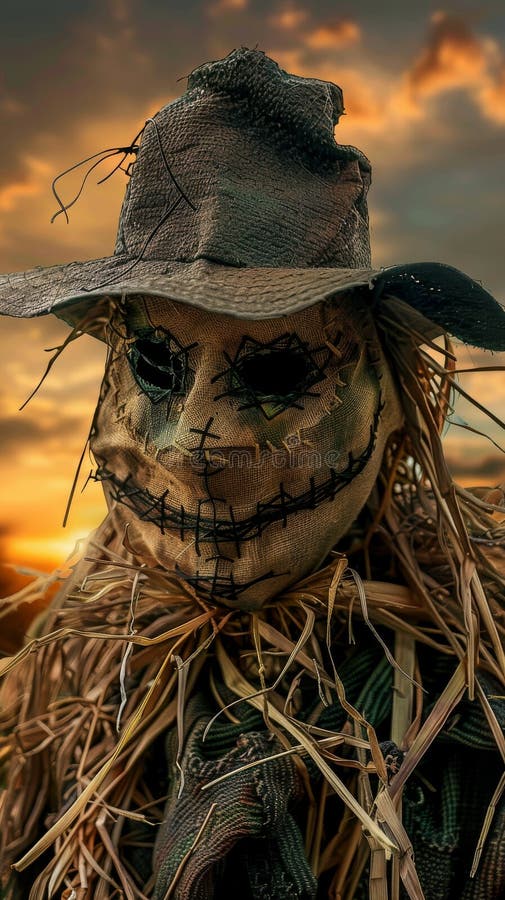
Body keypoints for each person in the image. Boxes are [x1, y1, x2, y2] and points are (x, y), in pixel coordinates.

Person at [1, 48, 504, 900]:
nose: (194, 443)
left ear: (393, 391)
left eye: (275, 374)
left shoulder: (474, 726)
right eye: (155, 364)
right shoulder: (57, 692)